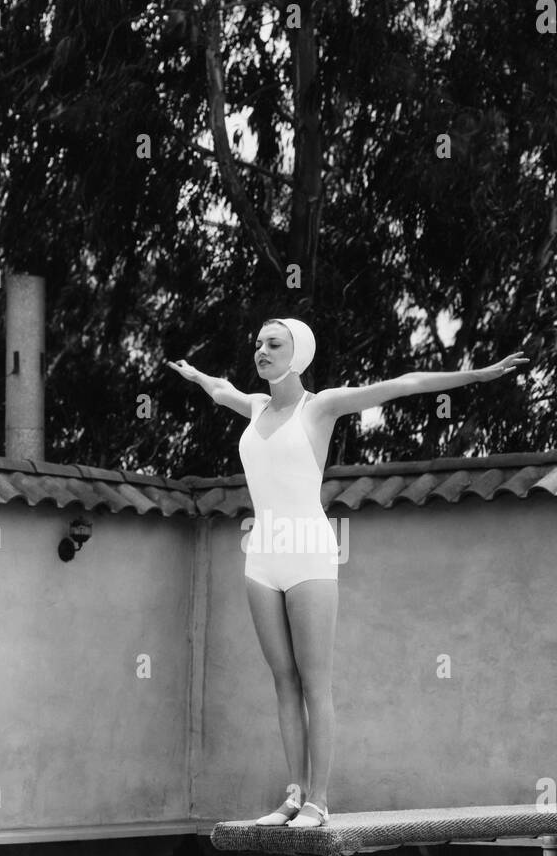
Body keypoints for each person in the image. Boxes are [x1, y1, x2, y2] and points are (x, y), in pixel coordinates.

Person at [168, 319, 528, 827]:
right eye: (257, 343)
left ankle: (319, 800)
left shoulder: (321, 406)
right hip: (262, 553)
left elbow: (400, 384)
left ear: (299, 355)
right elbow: (222, 390)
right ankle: (293, 796)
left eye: (274, 344)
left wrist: (476, 375)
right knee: (283, 681)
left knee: (316, 683)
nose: (261, 351)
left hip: (310, 552)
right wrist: (198, 376)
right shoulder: (254, 407)